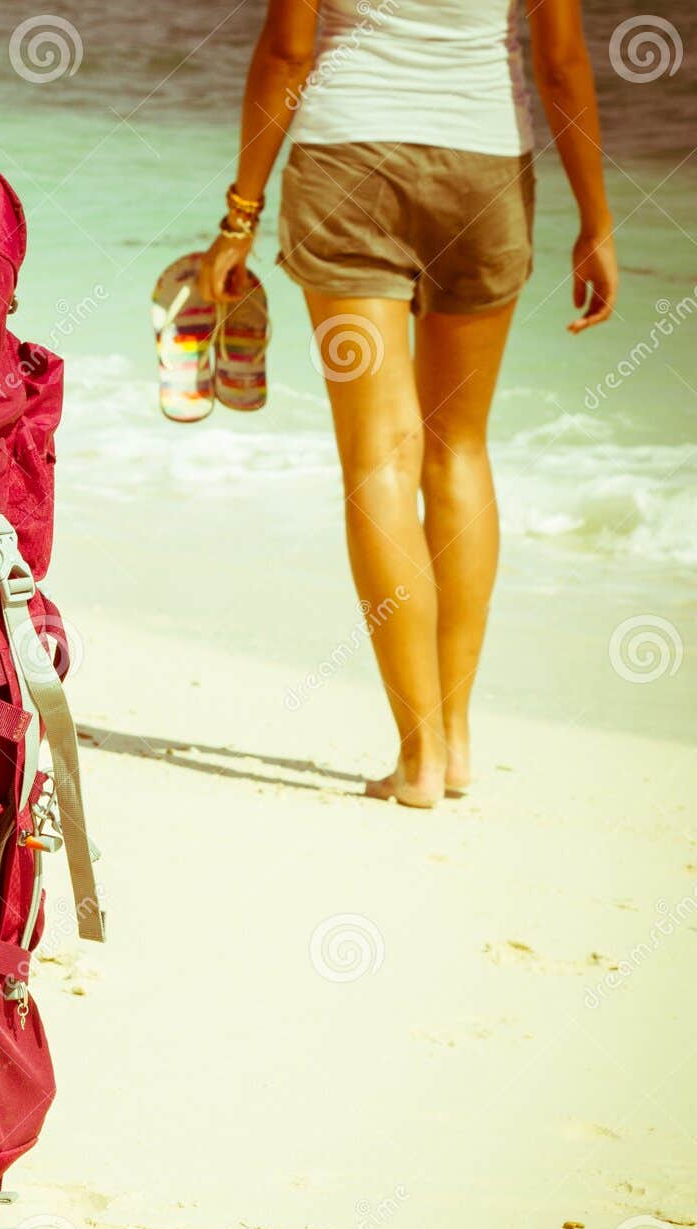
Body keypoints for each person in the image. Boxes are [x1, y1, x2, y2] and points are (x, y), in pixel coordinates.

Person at [199, 0, 617, 806]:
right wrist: (597, 221)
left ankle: (419, 754)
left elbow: (287, 51)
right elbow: (561, 62)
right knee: (460, 447)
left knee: (380, 458)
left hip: (347, 163)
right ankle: (454, 740)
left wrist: (240, 216)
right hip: (485, 169)